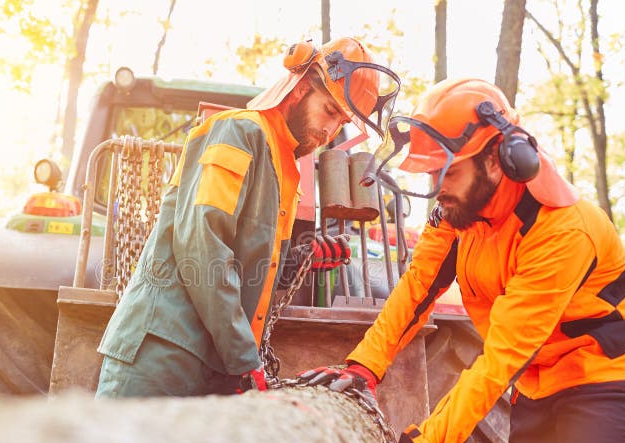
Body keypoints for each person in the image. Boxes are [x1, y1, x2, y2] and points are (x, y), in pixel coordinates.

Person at [301, 78, 625, 443]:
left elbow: (501, 357)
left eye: (449, 171)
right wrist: (364, 366)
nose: (438, 186)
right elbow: (416, 290)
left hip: (602, 369)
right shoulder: (458, 212)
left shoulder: (561, 231)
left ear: (500, 161)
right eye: (432, 173)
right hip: (536, 374)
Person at [95, 37, 400, 398]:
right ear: (301, 90)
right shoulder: (239, 132)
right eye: (329, 111)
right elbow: (202, 241)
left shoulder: (285, 168)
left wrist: (298, 257)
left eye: (341, 123)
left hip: (209, 363)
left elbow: (249, 261)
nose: (329, 132)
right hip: (162, 356)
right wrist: (245, 361)